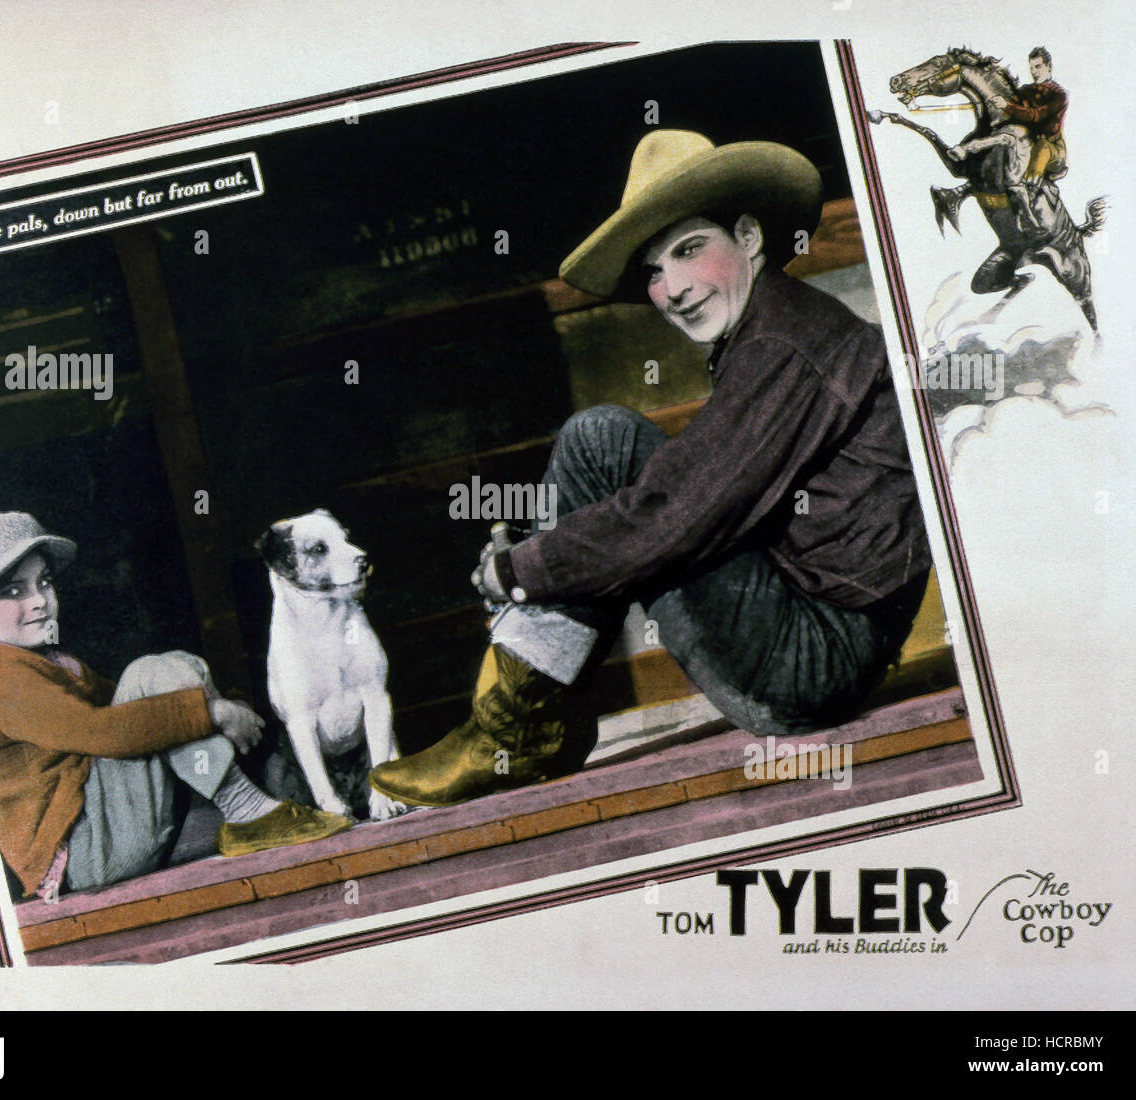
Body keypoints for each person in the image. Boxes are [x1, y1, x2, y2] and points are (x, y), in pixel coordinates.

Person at [369, 130, 931, 808]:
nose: (674, 288)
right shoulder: (768, 330)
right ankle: (522, 724)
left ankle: (515, 729)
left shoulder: (787, 342)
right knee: (608, 448)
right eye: (654, 271)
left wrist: (521, 570)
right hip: (806, 637)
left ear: (749, 236)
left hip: (813, 660)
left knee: (601, 440)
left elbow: (679, 514)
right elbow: (693, 503)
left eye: (691, 249)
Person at [0, 511, 352, 902]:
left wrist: (208, 704)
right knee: (151, 675)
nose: (40, 600)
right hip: (85, 853)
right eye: (13, 591)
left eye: (43, 582)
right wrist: (215, 714)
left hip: (107, 830)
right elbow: (108, 732)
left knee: (169, 672)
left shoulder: (44, 661)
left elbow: (141, 713)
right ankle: (245, 808)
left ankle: (242, 806)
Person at [947, 47, 1068, 237]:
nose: (1034, 72)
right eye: (1032, 68)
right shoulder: (1026, 90)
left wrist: (1009, 107)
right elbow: (1013, 109)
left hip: (1051, 147)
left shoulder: (1059, 95)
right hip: (1027, 141)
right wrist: (994, 104)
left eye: (1038, 66)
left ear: (1049, 67)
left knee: (1040, 152)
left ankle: (1030, 210)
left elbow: (1036, 116)